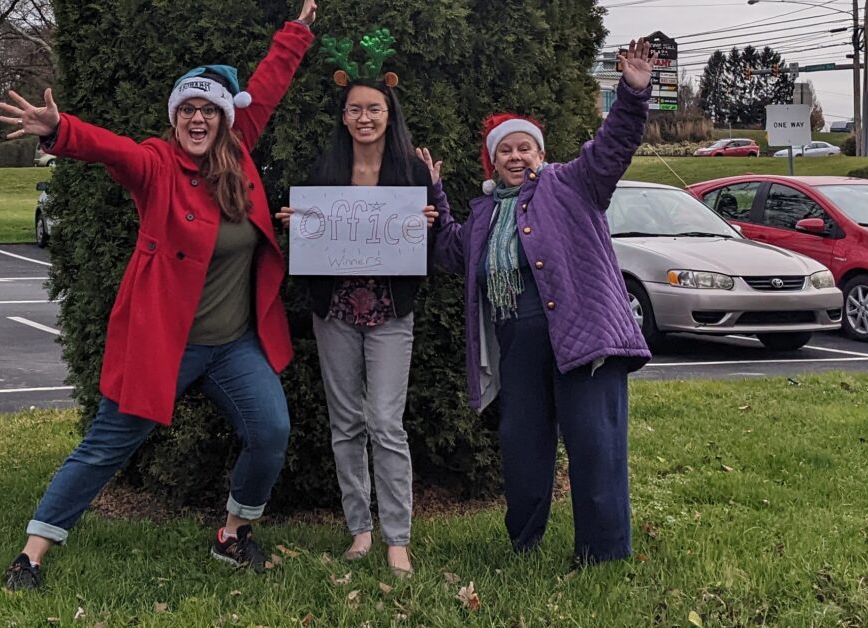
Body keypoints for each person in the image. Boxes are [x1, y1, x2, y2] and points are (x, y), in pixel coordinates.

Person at [0, 0, 318, 590]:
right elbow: (113, 150)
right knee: (106, 447)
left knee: (272, 429)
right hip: (166, 345)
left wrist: (298, 30)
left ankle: (233, 534)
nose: (198, 119)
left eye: (208, 110)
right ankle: (32, 554)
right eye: (187, 110)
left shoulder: (240, 154)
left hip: (232, 344)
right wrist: (59, 131)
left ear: (224, 120)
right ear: (175, 119)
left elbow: (266, 90)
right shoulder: (157, 166)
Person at [431, 39, 655, 565]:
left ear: (540, 153)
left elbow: (613, 145)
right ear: (491, 159)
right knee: (522, 448)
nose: (515, 157)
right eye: (504, 150)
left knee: (595, 449)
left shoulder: (572, 184)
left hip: (585, 340)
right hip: (519, 349)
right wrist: (435, 196)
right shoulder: (485, 215)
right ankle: (523, 545)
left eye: (524, 148)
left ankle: (602, 555)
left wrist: (633, 93)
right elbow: (449, 250)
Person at [278, 30, 440, 576]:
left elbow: (429, 250)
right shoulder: (324, 171)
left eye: (374, 109)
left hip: (391, 311)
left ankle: (398, 536)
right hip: (337, 311)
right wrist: (295, 225)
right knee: (345, 421)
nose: (364, 118)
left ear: (389, 114)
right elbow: (311, 235)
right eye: (355, 110)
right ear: (343, 116)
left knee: (385, 422)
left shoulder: (412, 173)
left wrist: (426, 224)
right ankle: (360, 529)